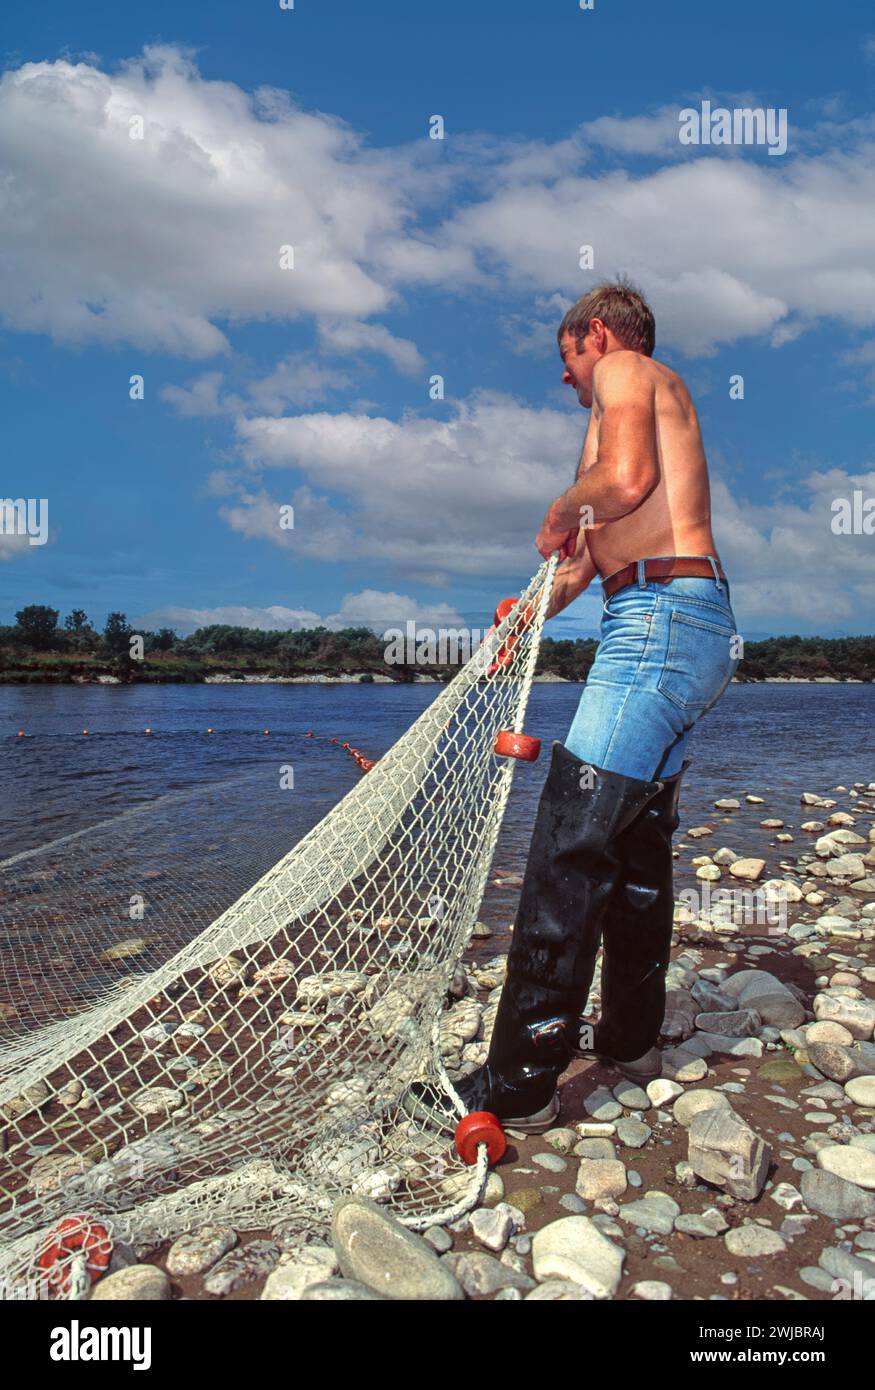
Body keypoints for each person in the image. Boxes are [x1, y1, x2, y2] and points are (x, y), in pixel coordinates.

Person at [453, 278, 740, 1132]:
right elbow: (586, 559)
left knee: (569, 847)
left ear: (597, 335)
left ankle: (520, 1088)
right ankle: (628, 1040)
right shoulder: (626, 406)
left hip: (657, 623)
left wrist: (554, 511)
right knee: (634, 842)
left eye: (565, 357)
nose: (565, 378)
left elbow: (620, 484)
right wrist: (525, 615)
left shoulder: (629, 371)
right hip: (678, 621)